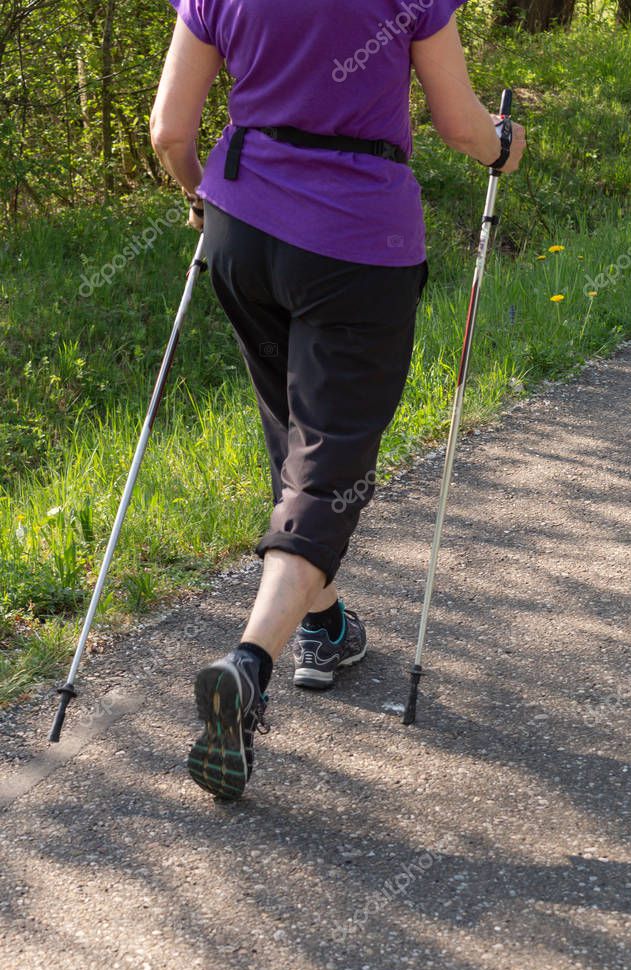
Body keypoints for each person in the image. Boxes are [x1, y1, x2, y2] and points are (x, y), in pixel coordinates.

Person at [151, 0, 526, 801]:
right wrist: (507, 149)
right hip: (360, 242)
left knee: (294, 434)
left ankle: (323, 624)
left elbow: (170, 133)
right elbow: (460, 125)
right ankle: (250, 661)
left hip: (242, 225)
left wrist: (200, 198)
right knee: (329, 461)